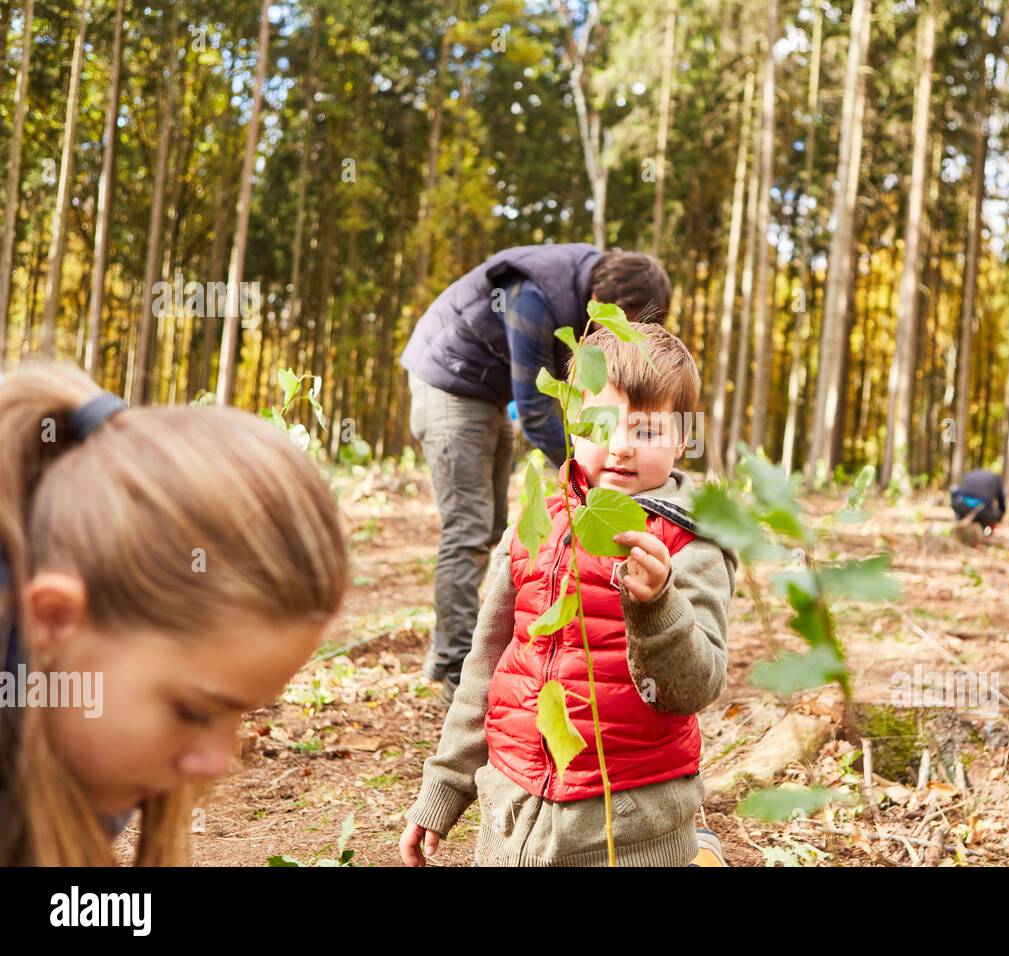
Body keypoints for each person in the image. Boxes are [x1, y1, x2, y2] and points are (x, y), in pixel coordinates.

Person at [397, 324, 736, 867]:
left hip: (629, 832)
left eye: (647, 430)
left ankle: (698, 850)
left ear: (681, 439)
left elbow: (696, 687)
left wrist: (658, 606)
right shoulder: (537, 519)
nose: (622, 447)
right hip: (512, 822)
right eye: (602, 425)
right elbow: (486, 666)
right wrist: (443, 790)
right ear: (572, 426)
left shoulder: (690, 544)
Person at [0, 363, 348, 866]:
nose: (214, 764)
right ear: (53, 620)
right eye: (193, 711)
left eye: (240, 715)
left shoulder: (82, 733)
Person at [400, 244, 672, 706]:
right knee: (468, 528)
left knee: (491, 525)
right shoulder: (536, 293)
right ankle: (453, 668)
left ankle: (457, 655)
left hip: (484, 389)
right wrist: (588, 470)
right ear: (612, 302)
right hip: (447, 380)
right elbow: (533, 409)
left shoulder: (582, 283)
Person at [950, 468, 1006, 535]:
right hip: (983, 510)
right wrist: (999, 518)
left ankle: (961, 522)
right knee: (995, 512)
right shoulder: (995, 478)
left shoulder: (970, 474)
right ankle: (988, 531)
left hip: (961, 506)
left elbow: (955, 493)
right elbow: (1002, 502)